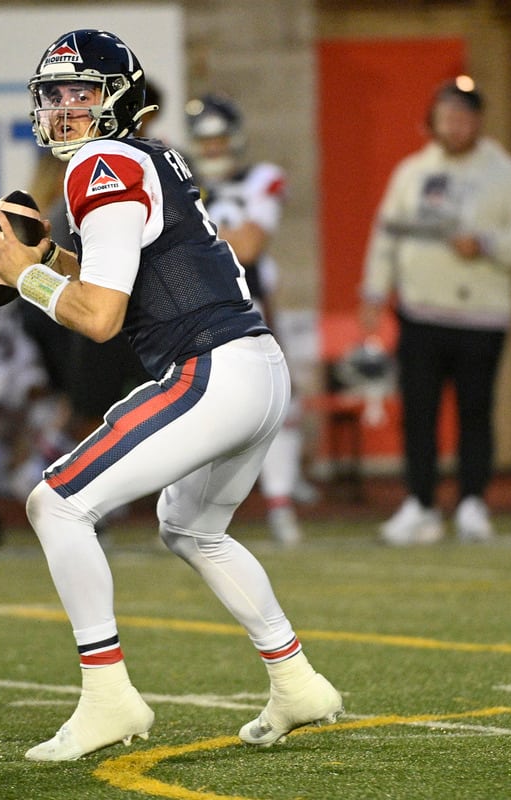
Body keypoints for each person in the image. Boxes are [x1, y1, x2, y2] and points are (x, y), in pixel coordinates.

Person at [0, 29, 342, 762]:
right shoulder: (143, 158)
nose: (64, 108)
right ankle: (296, 679)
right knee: (191, 526)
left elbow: (100, 318)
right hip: (255, 365)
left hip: (211, 371)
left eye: (81, 92)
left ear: (120, 97)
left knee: (56, 501)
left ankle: (108, 696)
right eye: (53, 94)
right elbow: (126, 270)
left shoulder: (104, 164)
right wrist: (48, 257)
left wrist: (25, 275)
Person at [359, 77, 511, 545]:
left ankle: (472, 504)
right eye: (446, 117)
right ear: (434, 122)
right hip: (420, 311)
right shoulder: (411, 173)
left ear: (478, 122)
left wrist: (487, 245)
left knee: (476, 411)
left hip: (481, 315)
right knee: (418, 413)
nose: (454, 126)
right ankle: (420, 505)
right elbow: (388, 233)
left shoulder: (507, 174)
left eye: (463, 117)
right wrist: (374, 290)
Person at [186, 92, 309, 547]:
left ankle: (279, 503)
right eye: (206, 142)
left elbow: (253, 245)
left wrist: (193, 237)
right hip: (193, 311)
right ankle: (191, 512)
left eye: (219, 139)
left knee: (280, 408)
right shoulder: (183, 182)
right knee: (196, 411)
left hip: (249, 306)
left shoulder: (262, 178)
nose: (213, 150)